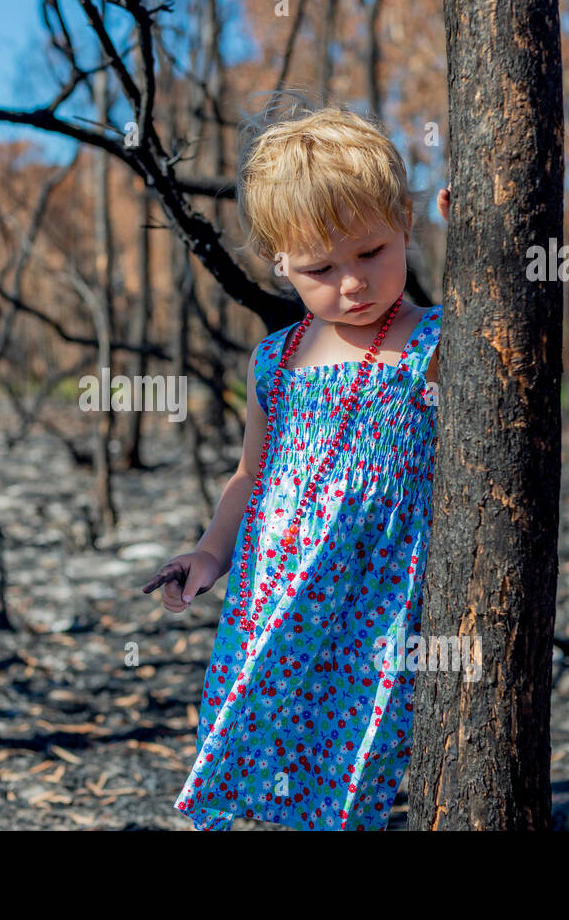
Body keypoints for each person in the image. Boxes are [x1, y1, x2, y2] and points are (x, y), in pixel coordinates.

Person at [141, 103, 452, 830]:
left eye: (370, 252)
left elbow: (505, 334)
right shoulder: (275, 359)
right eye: (319, 266)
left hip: (372, 597)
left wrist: (475, 240)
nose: (350, 282)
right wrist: (209, 553)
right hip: (272, 591)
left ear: (405, 223)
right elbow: (249, 475)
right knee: (259, 730)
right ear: (280, 261)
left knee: (356, 754)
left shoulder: (432, 339)